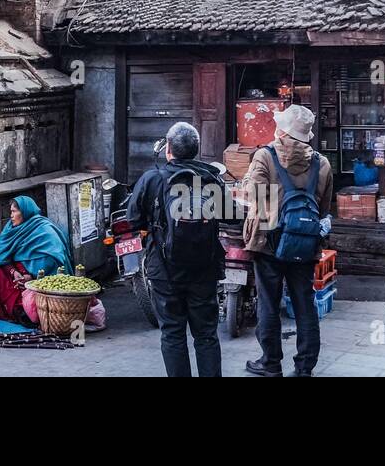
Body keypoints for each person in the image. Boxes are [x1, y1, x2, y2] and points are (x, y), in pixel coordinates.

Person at [126, 121, 228, 377]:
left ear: (167, 149)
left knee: (172, 332)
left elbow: (133, 219)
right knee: (206, 334)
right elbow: (232, 216)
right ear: (196, 149)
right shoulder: (211, 179)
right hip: (205, 267)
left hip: (164, 268)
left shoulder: (153, 178)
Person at [242, 104, 333, 377]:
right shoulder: (322, 163)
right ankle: (304, 368)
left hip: (267, 241)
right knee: (305, 303)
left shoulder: (265, 156)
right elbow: (324, 208)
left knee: (268, 302)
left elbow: (250, 195)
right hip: (305, 242)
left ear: (282, 130)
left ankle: (270, 365)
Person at [0, 195, 73, 323]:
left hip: (40, 282)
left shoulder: (44, 231)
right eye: (11, 212)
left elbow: (54, 260)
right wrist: (14, 272)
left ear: (25, 212)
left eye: (14, 211)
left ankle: (25, 312)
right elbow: (2, 258)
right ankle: (10, 313)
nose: (11, 215)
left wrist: (31, 277)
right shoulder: (10, 229)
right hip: (18, 276)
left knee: (31, 300)